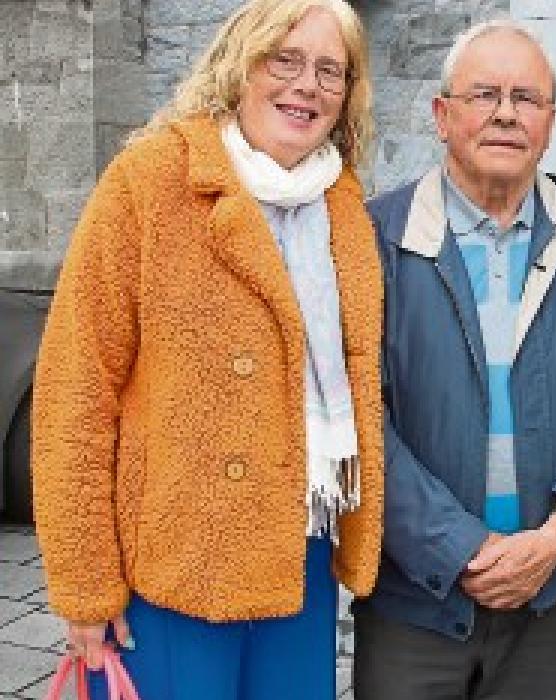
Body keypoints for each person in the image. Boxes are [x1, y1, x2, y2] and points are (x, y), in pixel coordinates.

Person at [30, 1, 383, 698]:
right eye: (283, 59)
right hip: (170, 562)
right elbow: (75, 389)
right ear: (238, 63)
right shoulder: (150, 181)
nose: (305, 84)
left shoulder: (340, 202)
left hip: (298, 549)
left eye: (329, 71)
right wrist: (84, 584)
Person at [352, 19, 556, 700]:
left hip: (549, 599)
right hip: (414, 598)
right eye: (485, 95)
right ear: (442, 115)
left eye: (526, 98)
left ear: (550, 120)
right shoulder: (376, 237)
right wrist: (459, 549)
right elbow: (362, 417)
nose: (506, 113)